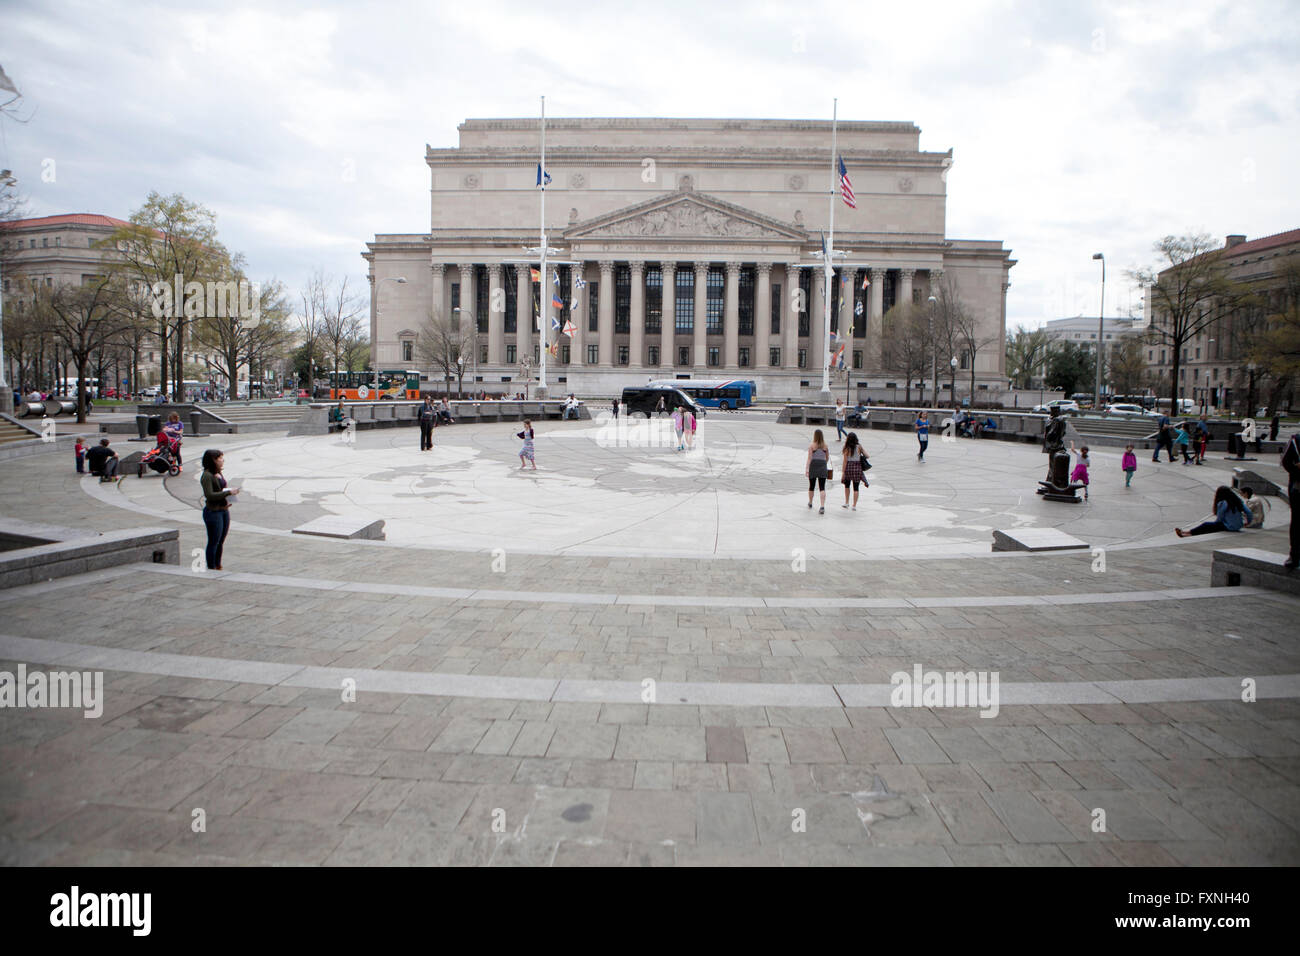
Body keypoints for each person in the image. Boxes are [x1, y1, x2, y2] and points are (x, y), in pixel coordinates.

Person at [200, 449, 240, 570]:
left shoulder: (217, 473)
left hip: (223, 510)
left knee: (220, 541)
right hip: (213, 512)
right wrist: (227, 493)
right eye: (220, 458)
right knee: (214, 541)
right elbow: (210, 495)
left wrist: (228, 492)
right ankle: (211, 566)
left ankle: (218, 564)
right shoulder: (207, 476)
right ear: (213, 460)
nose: (222, 461)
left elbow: (220, 488)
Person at [1175, 486, 1248, 537]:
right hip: (1239, 526)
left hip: (1230, 527)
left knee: (1207, 525)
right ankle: (1186, 533)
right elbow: (1249, 513)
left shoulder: (1223, 503)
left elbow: (1219, 519)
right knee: (1209, 526)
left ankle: (1186, 533)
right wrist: (1248, 522)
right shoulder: (1238, 501)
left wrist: (1216, 524)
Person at [1283, 432, 1300, 570]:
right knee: (1297, 522)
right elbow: (1286, 462)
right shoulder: (1296, 440)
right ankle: (1294, 555)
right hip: (1298, 488)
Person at [805, 428, 830, 514]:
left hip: (813, 465)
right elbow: (827, 458)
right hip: (822, 465)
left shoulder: (812, 446)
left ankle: (810, 502)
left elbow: (809, 458)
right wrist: (824, 463)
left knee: (811, 486)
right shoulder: (825, 446)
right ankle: (822, 506)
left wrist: (807, 469)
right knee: (822, 487)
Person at [840, 431, 868, 510]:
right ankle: (854, 505)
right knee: (856, 488)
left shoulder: (846, 448)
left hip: (849, 468)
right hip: (857, 468)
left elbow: (845, 461)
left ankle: (846, 502)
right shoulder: (859, 446)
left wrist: (843, 472)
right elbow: (867, 455)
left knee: (847, 486)